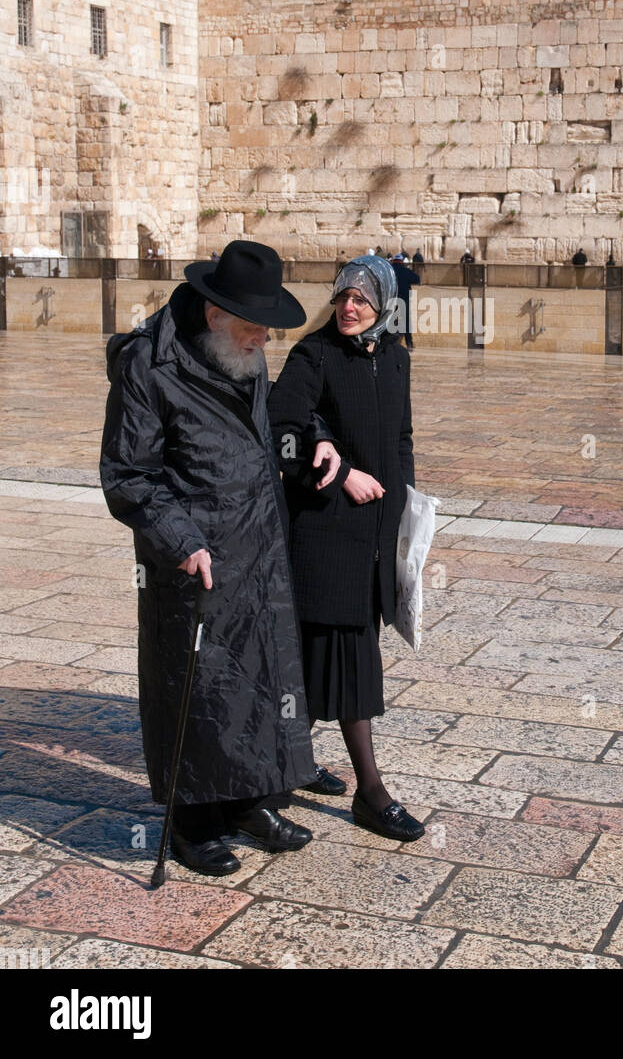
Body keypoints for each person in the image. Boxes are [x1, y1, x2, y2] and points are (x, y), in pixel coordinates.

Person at [100, 241, 328, 877]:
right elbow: (128, 475)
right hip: (191, 558)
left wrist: (318, 440)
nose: (263, 340)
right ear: (214, 314)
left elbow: (269, 426)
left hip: (259, 544)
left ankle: (246, 800)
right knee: (198, 690)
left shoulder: (242, 352)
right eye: (253, 326)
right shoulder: (149, 365)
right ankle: (192, 823)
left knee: (257, 681)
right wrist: (181, 540)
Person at [267, 255, 425, 844]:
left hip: (377, 541)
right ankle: (371, 793)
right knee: (351, 664)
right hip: (325, 540)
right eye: (342, 298)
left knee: (312, 671)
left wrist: (406, 506)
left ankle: (275, 775)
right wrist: (339, 475)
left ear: (383, 304)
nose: (350, 308)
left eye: (361, 300)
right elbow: (280, 433)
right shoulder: (314, 355)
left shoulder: (396, 359)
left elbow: (402, 438)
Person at [391, 252, 420, 350]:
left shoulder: (389, 270)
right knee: (406, 322)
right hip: (404, 300)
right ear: (402, 262)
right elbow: (417, 279)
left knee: (391, 321)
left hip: (392, 300)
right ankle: (409, 343)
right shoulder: (406, 271)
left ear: (394, 261)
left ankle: (390, 343)